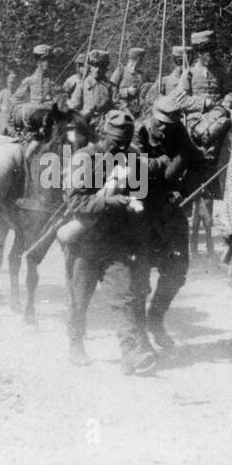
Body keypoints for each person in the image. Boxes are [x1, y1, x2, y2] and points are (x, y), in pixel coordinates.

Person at [63, 110, 155, 374]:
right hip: (85, 242)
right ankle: (76, 345)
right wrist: (108, 201)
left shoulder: (132, 158)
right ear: (104, 135)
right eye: (116, 143)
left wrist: (135, 203)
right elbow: (76, 202)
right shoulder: (85, 159)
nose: (121, 148)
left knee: (123, 298)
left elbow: (140, 192)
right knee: (79, 300)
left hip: (116, 241)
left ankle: (130, 354)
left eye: (125, 143)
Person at [132, 90, 207, 352]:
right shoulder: (138, 130)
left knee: (177, 269)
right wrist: (164, 162)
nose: (165, 129)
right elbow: (133, 167)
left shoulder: (177, 131)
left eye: (171, 124)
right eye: (161, 123)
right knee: (137, 273)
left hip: (166, 205)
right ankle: (138, 332)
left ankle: (156, 319)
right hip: (137, 202)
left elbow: (196, 160)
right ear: (153, 116)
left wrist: (184, 189)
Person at [181, 30, 227, 113]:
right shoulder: (189, 73)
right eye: (207, 53)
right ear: (199, 53)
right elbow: (182, 99)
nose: (211, 56)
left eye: (212, 52)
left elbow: (229, 91)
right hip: (196, 117)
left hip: (220, 114)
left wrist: (229, 99)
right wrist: (203, 102)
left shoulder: (221, 72)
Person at [69, 49, 115, 122]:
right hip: (86, 124)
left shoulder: (110, 86)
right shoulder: (82, 85)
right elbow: (73, 108)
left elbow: (116, 106)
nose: (97, 69)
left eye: (101, 66)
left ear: (106, 68)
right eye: (94, 65)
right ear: (90, 67)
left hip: (106, 124)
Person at [110, 46, 148, 115]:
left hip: (137, 108)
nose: (143, 61)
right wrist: (127, 91)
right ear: (138, 59)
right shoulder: (121, 70)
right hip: (121, 107)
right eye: (142, 58)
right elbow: (111, 90)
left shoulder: (141, 74)